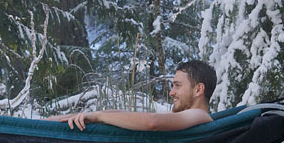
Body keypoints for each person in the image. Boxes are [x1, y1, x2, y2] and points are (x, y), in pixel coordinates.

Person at [49, 60, 216, 131]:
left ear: (198, 90)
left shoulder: (199, 115)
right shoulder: (188, 118)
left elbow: (152, 122)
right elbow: (134, 116)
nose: (171, 92)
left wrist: (99, 116)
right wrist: (93, 115)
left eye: (177, 86)